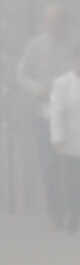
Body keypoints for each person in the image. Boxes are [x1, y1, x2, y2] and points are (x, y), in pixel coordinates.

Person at [16, 5, 75, 228]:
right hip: (44, 116)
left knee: (70, 167)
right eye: (51, 21)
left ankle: (72, 212)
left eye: (59, 21)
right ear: (44, 22)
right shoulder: (34, 47)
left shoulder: (74, 45)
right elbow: (21, 74)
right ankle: (56, 213)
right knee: (49, 168)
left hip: (69, 117)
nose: (55, 25)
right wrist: (36, 90)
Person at [49, 41, 80, 235]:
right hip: (71, 143)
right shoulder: (63, 83)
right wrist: (58, 136)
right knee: (72, 183)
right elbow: (56, 111)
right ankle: (73, 214)